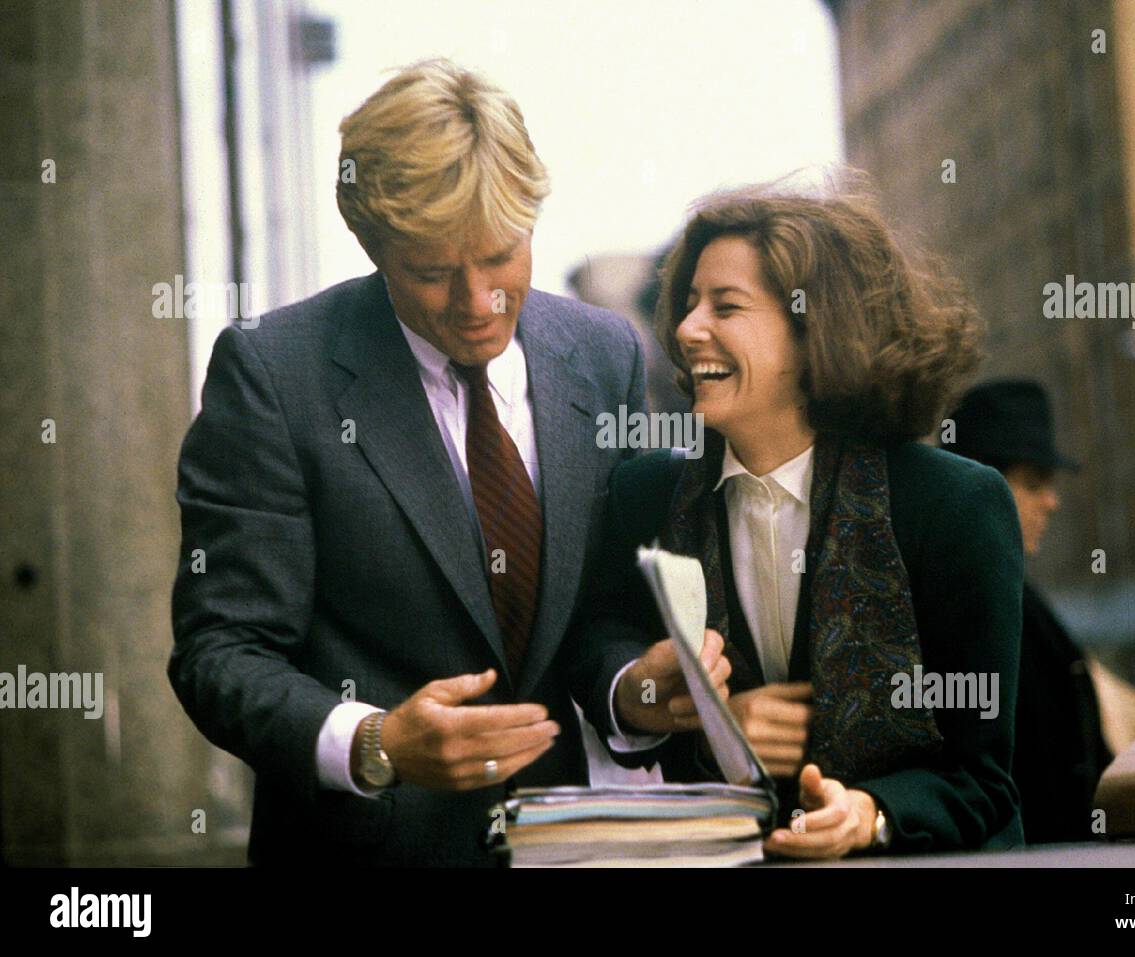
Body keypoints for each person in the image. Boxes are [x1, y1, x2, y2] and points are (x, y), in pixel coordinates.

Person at [168, 58, 724, 867]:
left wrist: (633, 690)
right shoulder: (273, 375)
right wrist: (373, 740)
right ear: (370, 244)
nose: (478, 303)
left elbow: (601, 612)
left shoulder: (603, 354)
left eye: (501, 257)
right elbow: (221, 650)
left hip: (570, 847)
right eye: (432, 271)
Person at [583, 174, 1026, 859]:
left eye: (725, 306)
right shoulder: (646, 496)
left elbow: (982, 775)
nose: (686, 328)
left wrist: (869, 812)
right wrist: (643, 686)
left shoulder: (954, 505)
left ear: (814, 331)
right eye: (690, 302)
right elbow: (598, 636)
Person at [948, 379, 1113, 843]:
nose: (1051, 501)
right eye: (1034, 483)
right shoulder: (966, 600)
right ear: (982, 484)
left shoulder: (1022, 599)